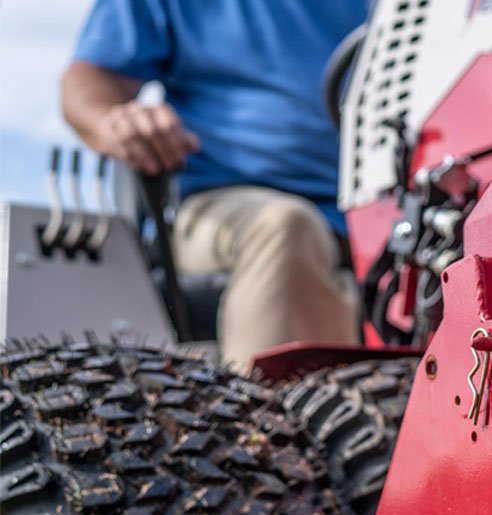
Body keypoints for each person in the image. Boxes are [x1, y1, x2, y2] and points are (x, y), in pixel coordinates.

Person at [61, 1, 368, 371]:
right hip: (221, 205)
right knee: (285, 227)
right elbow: (89, 79)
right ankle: (269, 421)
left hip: (373, 215)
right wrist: (117, 122)